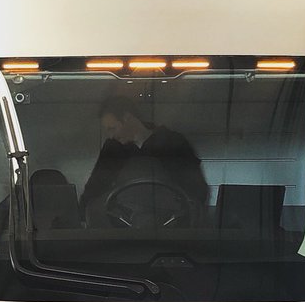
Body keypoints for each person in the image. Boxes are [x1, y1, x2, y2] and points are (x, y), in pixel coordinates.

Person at [79, 94, 208, 223]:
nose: (111, 135)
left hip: (171, 228)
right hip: (122, 228)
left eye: (113, 129)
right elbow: (95, 188)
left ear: (127, 117)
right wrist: (81, 218)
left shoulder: (174, 143)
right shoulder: (112, 149)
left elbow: (197, 190)